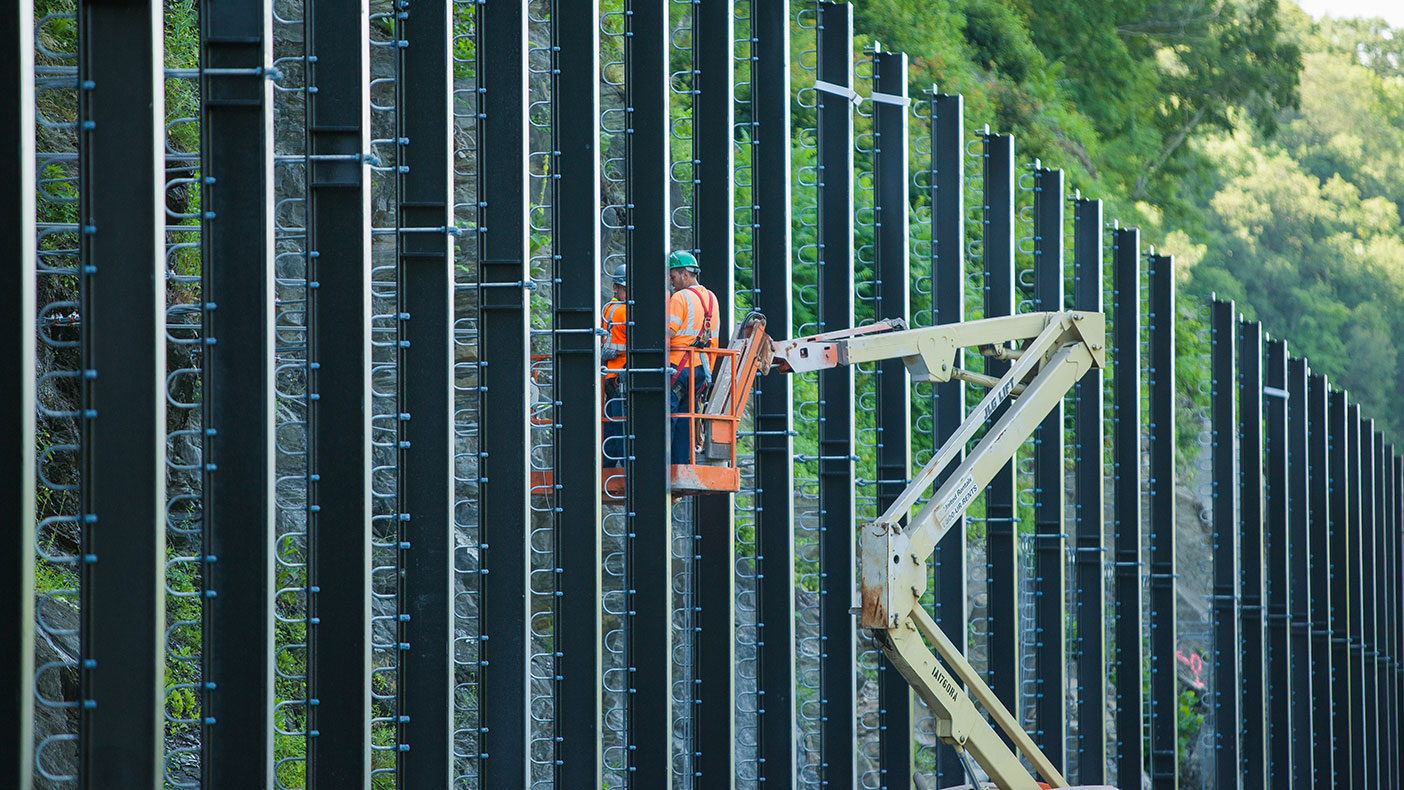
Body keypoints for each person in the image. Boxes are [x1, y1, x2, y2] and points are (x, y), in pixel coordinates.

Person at [666, 250, 719, 465]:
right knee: (687, 416)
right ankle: (680, 463)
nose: (671, 282)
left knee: (667, 413)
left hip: (679, 366)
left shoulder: (680, 298)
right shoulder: (711, 298)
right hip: (702, 368)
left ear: (685, 274)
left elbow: (668, 333)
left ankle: (661, 464)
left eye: (673, 277)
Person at [600, 264, 628, 466]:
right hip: (619, 378)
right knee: (620, 429)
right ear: (616, 288)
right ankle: (621, 473)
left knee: (612, 427)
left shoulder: (606, 310)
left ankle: (608, 470)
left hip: (612, 377)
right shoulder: (624, 311)